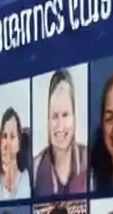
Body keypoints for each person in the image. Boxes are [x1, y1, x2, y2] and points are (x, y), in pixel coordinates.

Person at [33, 68, 87, 196]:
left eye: (65, 114)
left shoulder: (90, 161)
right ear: (48, 119)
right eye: (54, 116)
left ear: (74, 117)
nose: (60, 126)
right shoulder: (35, 168)